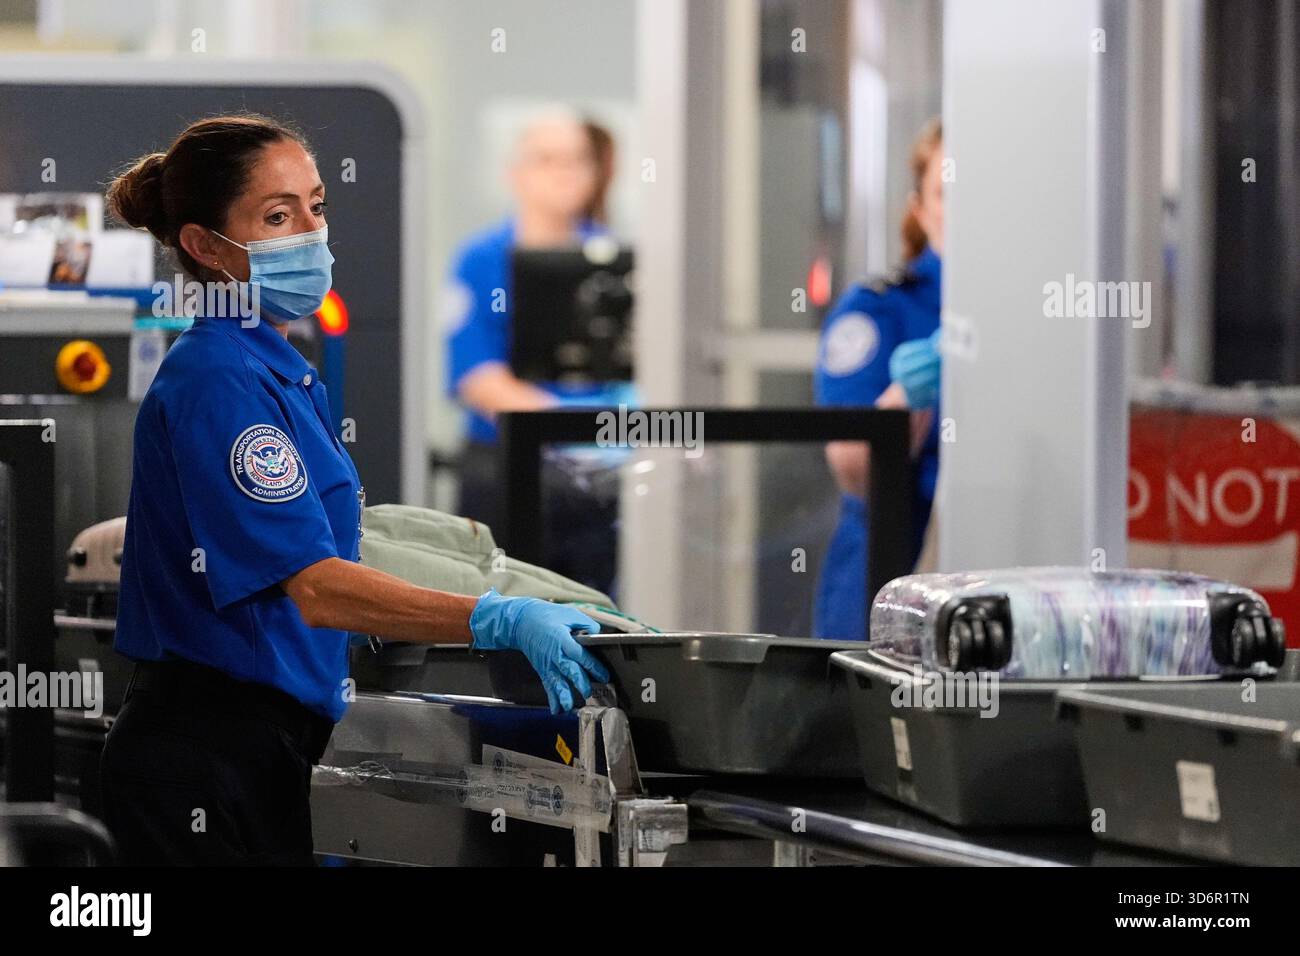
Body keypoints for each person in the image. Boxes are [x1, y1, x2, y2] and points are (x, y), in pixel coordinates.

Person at [99, 115, 609, 866]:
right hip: (200, 762)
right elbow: (312, 585)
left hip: (265, 749)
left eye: (316, 204)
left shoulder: (274, 366)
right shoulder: (219, 378)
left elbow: (333, 543)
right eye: (278, 216)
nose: (312, 232)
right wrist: (491, 619)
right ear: (207, 247)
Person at [813, 118, 945, 641]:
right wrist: (907, 398)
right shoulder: (879, 310)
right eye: (948, 192)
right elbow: (852, 469)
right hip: (888, 582)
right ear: (921, 210)